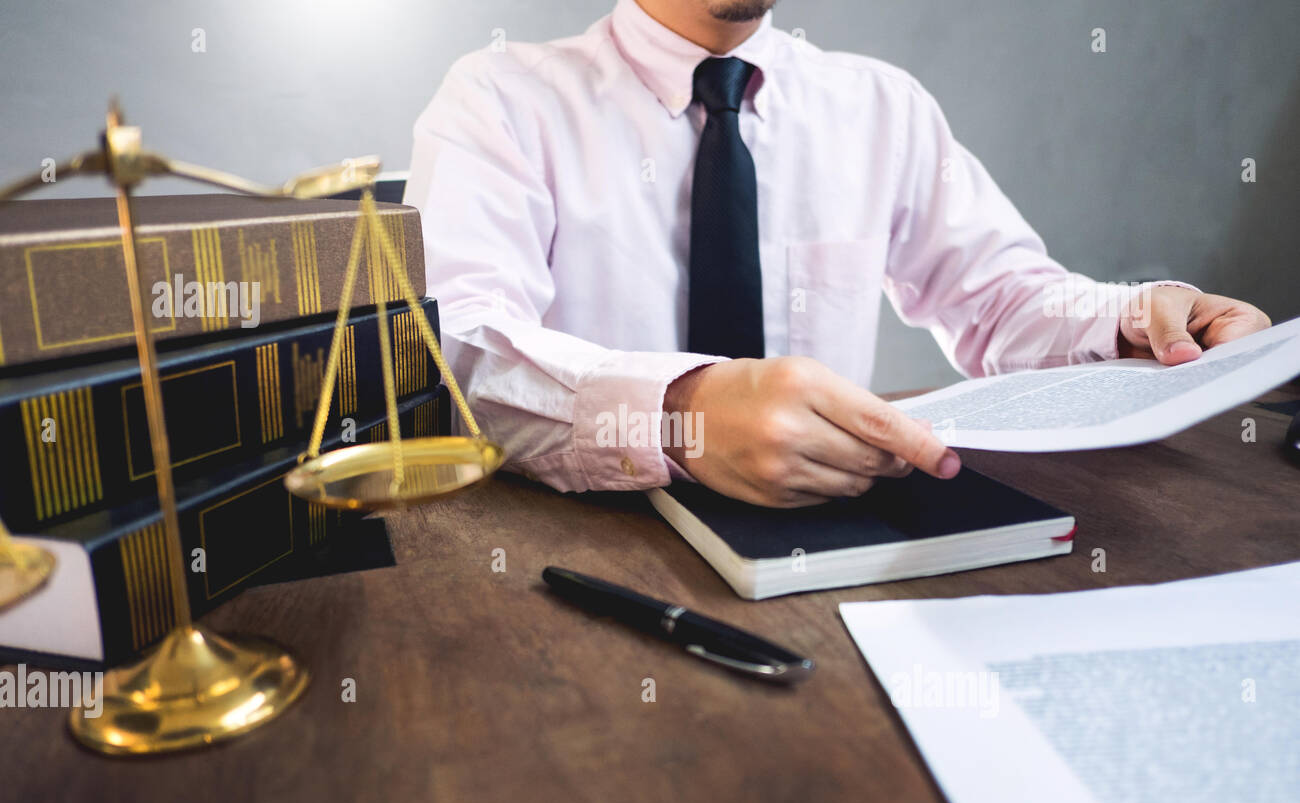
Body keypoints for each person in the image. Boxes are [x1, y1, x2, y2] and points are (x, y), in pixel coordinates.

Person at [404, 0, 1270, 507]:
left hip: (834, 538)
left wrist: (1128, 323)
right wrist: (681, 414)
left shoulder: (878, 105)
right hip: (590, 544)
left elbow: (1000, 299)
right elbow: (457, 350)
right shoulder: (499, 98)